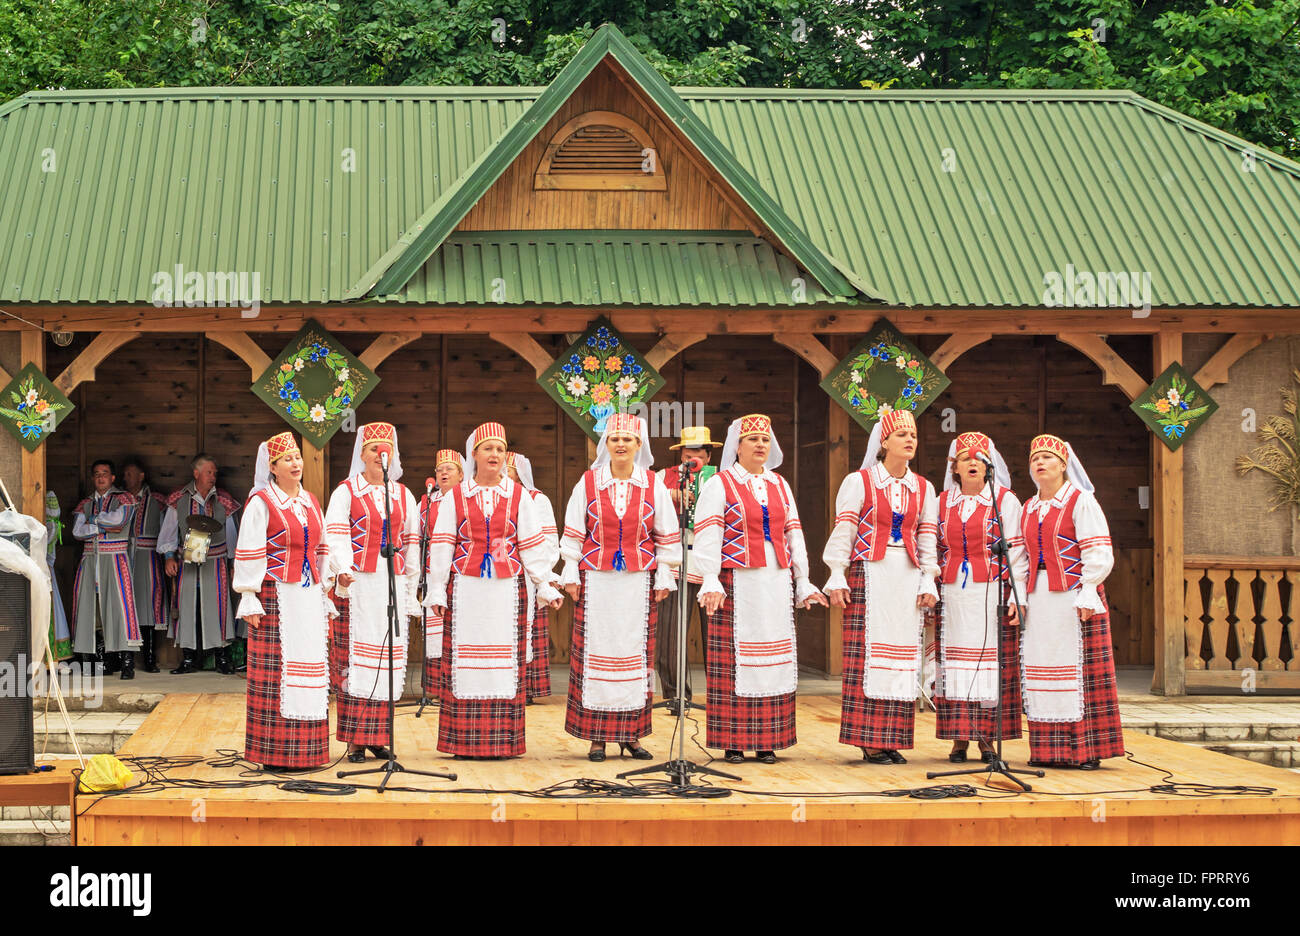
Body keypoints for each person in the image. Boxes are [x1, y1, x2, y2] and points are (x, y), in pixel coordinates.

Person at [424, 422, 563, 759]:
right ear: (474, 454)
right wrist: (437, 590)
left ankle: (503, 742)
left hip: (507, 588)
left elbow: (530, 543)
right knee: (466, 662)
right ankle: (463, 742)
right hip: (466, 588)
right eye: (488, 448)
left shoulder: (519, 496)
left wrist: (544, 583)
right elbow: (442, 544)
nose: (495, 455)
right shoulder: (455, 496)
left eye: (500, 449)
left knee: (503, 665)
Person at [694, 414, 827, 764]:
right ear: (737, 446)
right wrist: (709, 577)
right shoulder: (720, 484)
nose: (760, 445)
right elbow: (708, 533)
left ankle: (769, 739)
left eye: (765, 440)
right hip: (736, 581)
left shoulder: (780, 485)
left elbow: (793, 534)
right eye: (752, 439)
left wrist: (802, 580)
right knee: (736, 660)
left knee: (773, 659)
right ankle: (734, 741)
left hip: (775, 582)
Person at [558, 414, 680, 761]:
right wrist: (569, 570)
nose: (621, 445)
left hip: (638, 583)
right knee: (596, 653)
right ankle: (597, 736)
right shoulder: (588, 482)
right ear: (606, 445)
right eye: (615, 440)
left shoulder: (653, 483)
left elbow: (665, 533)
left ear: (639, 445)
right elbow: (574, 528)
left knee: (636, 656)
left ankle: (633, 735)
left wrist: (664, 574)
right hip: (597, 581)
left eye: (628, 440)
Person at [824, 409, 939, 765]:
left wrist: (928, 578)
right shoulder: (859, 481)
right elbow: (845, 528)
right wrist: (837, 573)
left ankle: (893, 738)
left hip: (905, 574)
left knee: (902, 657)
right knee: (867, 656)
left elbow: (927, 536)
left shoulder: (923, 486)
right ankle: (869, 739)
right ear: (883, 442)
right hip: (869, 573)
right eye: (901, 434)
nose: (909, 440)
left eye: (913, 436)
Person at [1019, 434, 1123, 770]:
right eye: (1035, 458)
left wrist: (1089, 588)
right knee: (1043, 668)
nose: (1040, 463)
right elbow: (1021, 558)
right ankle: (1048, 750)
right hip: (1040, 599)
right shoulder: (1029, 507)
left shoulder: (1081, 501)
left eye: (1048, 458)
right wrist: (1018, 595)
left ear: (1064, 465)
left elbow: (1098, 551)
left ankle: (1085, 750)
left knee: (1078, 673)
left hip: (1074, 596)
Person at [233, 431, 333, 770]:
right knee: (276, 673)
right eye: (287, 459)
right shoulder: (262, 501)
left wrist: (326, 586)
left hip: (306, 595)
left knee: (309, 667)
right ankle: (274, 753)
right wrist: (249, 595)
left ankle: (308, 751)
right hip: (275, 594)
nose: (295, 463)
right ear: (272, 467)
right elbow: (249, 548)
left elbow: (321, 548)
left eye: (297, 458)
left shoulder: (311, 502)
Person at [325, 422, 420, 764]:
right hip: (359, 584)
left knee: (386, 659)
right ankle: (354, 740)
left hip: (389, 584)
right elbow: (335, 533)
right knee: (357, 662)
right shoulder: (347, 491)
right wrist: (343, 568)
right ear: (362, 455)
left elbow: (411, 542)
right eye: (373, 449)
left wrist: (410, 585)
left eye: (386, 449)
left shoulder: (402, 494)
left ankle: (378, 737)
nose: (381, 455)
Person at [933, 432, 1026, 763]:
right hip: (953, 593)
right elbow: (932, 546)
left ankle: (986, 737)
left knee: (987, 665)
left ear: (989, 466)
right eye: (964, 458)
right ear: (954, 467)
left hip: (992, 593)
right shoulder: (942, 502)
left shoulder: (1005, 501)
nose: (972, 462)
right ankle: (959, 737)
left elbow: (1017, 552)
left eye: (978, 458)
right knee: (955, 663)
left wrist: (1017, 594)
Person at [656, 426, 720, 715]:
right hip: (674, 559)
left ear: (707, 455)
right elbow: (651, 505)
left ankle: (720, 696)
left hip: (709, 562)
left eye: (698, 451)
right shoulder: (661, 479)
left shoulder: (720, 480)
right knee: (670, 633)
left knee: (716, 633)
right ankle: (675, 696)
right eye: (687, 451)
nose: (692, 456)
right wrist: (672, 494)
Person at [158, 454, 240, 674]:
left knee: (218, 607)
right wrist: (168, 557)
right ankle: (188, 659)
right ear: (196, 473)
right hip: (188, 561)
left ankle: (221, 658)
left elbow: (232, 534)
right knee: (187, 606)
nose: (213, 476)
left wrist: (234, 563)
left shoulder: (223, 499)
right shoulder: (179, 498)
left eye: (214, 473)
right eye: (208, 472)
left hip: (216, 561)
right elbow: (168, 531)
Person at [70, 460, 141, 678]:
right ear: (93, 478)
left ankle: (127, 662)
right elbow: (77, 532)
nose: (101, 477)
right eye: (97, 474)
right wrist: (103, 525)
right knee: (92, 610)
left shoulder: (124, 498)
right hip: (91, 559)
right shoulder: (85, 504)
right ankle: (102, 661)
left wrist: (94, 522)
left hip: (115, 558)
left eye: (105, 473)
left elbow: (120, 520)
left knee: (120, 608)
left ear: (112, 477)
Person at [506, 451, 559, 704]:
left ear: (520, 473)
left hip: (530, 574)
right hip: (503, 571)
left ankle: (527, 687)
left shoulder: (538, 499)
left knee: (529, 630)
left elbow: (549, 540)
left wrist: (541, 573)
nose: (504, 473)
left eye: (510, 469)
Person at [417, 448, 464, 706]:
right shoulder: (426, 501)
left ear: (461, 474)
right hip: (432, 572)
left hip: (459, 573)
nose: (443, 473)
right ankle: (435, 688)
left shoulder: (465, 497)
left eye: (449, 469)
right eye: (439, 469)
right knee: (434, 630)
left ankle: (456, 686)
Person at [122, 459, 169, 674]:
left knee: (149, 606)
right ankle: (126, 659)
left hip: (148, 556)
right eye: (125, 474)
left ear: (141, 475)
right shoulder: (119, 499)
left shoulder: (157, 500)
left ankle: (150, 657)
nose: (127, 478)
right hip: (123, 556)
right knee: (124, 605)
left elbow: (166, 529)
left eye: (131, 473)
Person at [44, 490, 73, 664]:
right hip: (36, 571)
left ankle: (55, 658)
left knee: (52, 612)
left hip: (46, 571)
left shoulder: (52, 526)